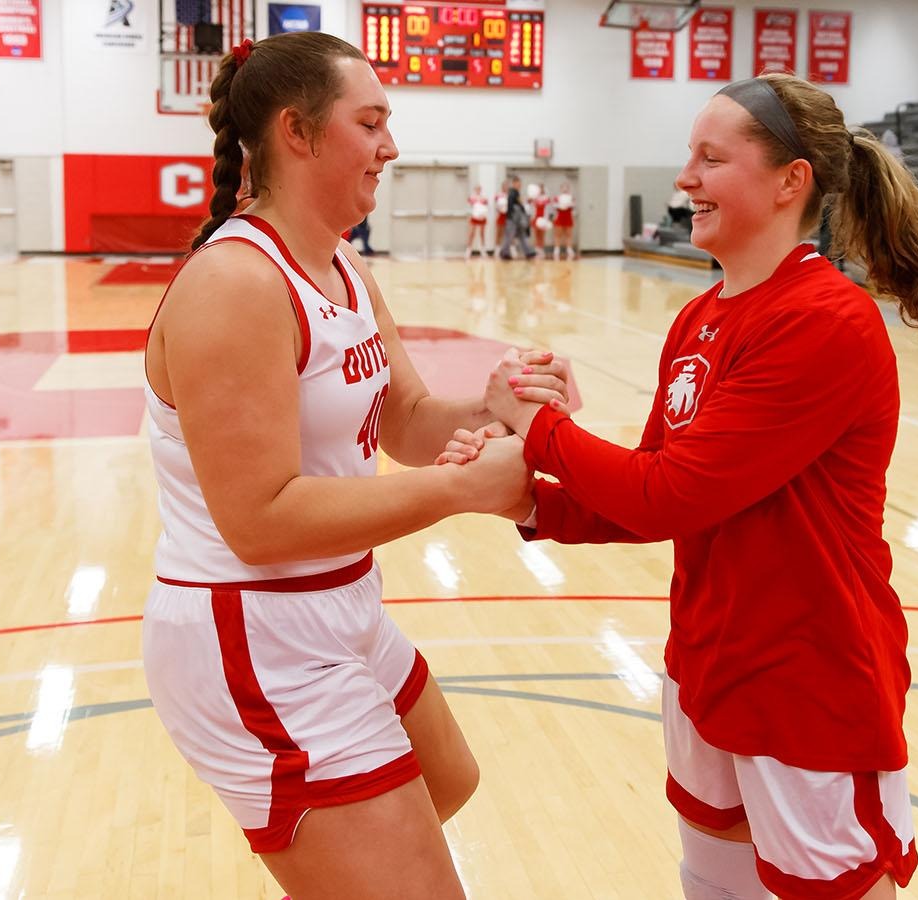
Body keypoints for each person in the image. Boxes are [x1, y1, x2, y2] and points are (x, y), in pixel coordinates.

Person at [441, 73, 918, 899]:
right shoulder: (701, 317)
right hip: (707, 662)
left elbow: (672, 493)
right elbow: (650, 492)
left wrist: (536, 428)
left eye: (709, 158)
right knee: (712, 884)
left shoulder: (824, 320)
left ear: (790, 180)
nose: (684, 178)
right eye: (686, 157)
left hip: (808, 684)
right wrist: (523, 497)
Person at [139, 32, 569, 899]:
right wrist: (458, 490)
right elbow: (258, 521)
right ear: (297, 133)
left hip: (337, 603)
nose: (391, 145)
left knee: (449, 780)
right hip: (251, 630)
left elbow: (405, 421)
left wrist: (496, 404)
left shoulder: (342, 266)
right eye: (369, 122)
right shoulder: (237, 285)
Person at [497, 174, 535, 259]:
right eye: (518, 183)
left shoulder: (515, 193)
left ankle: (528, 251)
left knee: (522, 235)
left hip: (518, 219)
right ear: (514, 183)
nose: (520, 185)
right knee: (509, 236)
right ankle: (504, 252)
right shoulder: (513, 192)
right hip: (513, 219)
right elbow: (516, 205)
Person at [551, 182, 577, 260]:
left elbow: (574, 207)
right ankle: (557, 249)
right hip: (559, 216)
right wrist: (560, 206)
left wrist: (569, 205)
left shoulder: (571, 197)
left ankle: (569, 249)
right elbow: (554, 206)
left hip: (568, 216)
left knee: (569, 234)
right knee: (558, 234)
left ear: (568, 188)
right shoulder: (557, 197)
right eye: (563, 187)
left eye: (566, 187)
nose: (565, 189)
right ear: (561, 188)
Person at [467, 184, 490, 258]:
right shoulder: (472, 197)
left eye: (479, 189)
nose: (478, 190)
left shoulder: (484, 197)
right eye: (477, 189)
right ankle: (468, 250)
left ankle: (483, 250)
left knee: (482, 233)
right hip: (474, 217)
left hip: (482, 217)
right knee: (471, 233)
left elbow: (486, 206)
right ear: (475, 189)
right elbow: (470, 205)